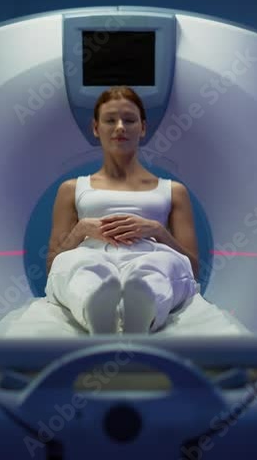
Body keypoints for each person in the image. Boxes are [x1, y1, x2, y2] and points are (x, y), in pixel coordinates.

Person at [45, 85, 200, 334]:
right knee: (77, 265)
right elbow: (53, 264)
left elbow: (191, 267)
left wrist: (157, 230)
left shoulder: (174, 191)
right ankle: (96, 309)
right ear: (96, 128)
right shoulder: (72, 188)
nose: (120, 127)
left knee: (161, 266)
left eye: (129, 120)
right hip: (90, 253)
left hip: (150, 252)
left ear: (143, 128)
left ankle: (142, 309)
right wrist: (82, 229)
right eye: (110, 120)